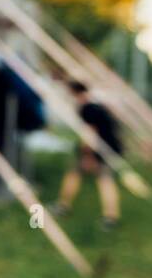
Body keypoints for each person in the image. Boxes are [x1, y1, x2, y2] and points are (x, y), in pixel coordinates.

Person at [52, 79, 122, 229]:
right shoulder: (95, 106)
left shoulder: (87, 108)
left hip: (99, 148)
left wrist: (87, 155)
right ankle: (109, 216)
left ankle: (109, 217)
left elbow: (90, 133)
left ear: (73, 92)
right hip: (108, 147)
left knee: (101, 179)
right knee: (81, 175)